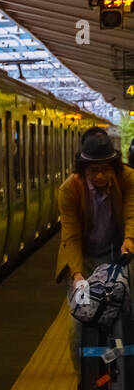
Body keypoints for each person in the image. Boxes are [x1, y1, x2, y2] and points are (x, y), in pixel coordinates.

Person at [56, 131, 134, 366]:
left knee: (128, 314)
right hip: (86, 259)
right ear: (82, 170)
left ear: (114, 166)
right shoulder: (69, 189)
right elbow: (71, 235)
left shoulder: (128, 178)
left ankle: (124, 373)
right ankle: (86, 380)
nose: (100, 175)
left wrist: (129, 240)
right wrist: (78, 275)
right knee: (79, 322)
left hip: (121, 256)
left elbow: (132, 213)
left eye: (105, 169)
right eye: (93, 171)